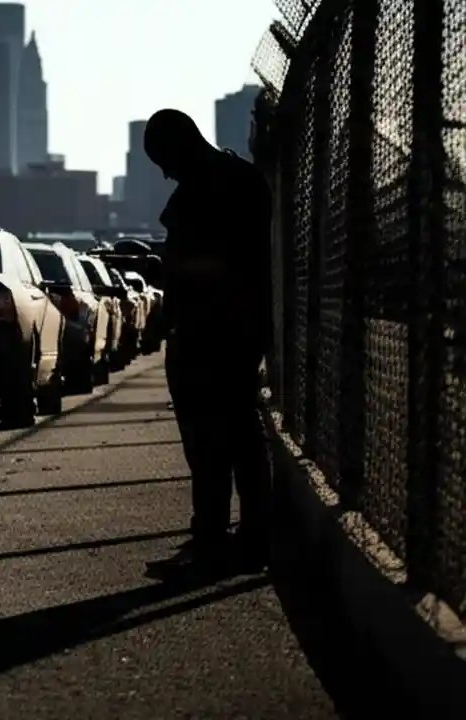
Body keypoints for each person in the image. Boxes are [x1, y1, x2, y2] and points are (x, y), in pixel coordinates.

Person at [142, 108, 274, 579]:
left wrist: (177, 308)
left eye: (163, 158)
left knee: (216, 440)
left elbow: (204, 266)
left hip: (215, 332)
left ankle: (220, 540)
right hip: (231, 329)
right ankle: (240, 537)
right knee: (232, 437)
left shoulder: (213, 191)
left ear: (180, 146)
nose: (164, 171)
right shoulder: (239, 180)